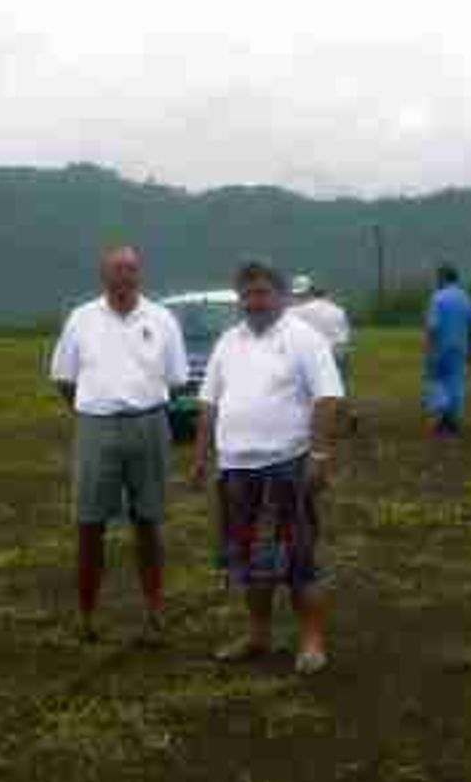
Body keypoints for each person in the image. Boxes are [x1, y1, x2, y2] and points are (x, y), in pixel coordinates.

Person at [192, 260, 344, 675]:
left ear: (280, 296)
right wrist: (201, 457)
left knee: (298, 559)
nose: (254, 302)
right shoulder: (228, 341)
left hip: (287, 465)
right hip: (236, 469)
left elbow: (327, 397)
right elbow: (209, 402)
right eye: (247, 295)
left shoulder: (304, 338)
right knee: (248, 560)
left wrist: (318, 456)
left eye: (262, 293)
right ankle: (258, 635)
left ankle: (312, 640)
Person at [50, 245, 189, 644]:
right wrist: (90, 410)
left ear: (139, 275)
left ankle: (154, 610)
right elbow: (63, 377)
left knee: (148, 522)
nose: (123, 277)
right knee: (89, 525)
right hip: (97, 424)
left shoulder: (162, 319)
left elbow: (176, 377)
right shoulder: (81, 319)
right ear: (103, 276)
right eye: (116, 270)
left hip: (149, 424)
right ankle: (87, 615)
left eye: (130, 269)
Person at [424, 263, 471, 438]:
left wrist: (429, 349)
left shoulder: (437, 298)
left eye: (438, 277)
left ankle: (443, 418)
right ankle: (452, 422)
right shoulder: (466, 298)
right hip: (460, 348)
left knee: (437, 381)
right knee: (456, 384)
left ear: (443, 278)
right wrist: (470, 353)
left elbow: (433, 327)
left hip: (440, 347)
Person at [289, 275, 353, 387]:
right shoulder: (338, 310)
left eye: (298, 295)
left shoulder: (293, 312)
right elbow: (345, 338)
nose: (296, 298)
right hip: (338, 355)